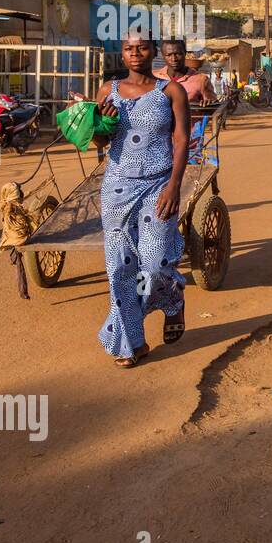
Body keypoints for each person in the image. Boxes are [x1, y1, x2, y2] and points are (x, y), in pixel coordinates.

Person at [91, 35, 190, 368]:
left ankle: (172, 299)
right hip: (117, 187)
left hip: (159, 184)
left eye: (142, 47)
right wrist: (103, 121)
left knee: (154, 263)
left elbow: (181, 139)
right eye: (129, 48)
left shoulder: (171, 92)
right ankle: (130, 343)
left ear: (154, 52)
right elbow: (98, 141)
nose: (135, 53)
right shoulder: (108, 90)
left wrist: (174, 185)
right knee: (120, 268)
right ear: (122, 53)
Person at [159, 39, 216, 105]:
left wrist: (209, 102)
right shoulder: (154, 77)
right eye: (169, 55)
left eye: (178, 54)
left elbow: (213, 104)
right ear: (163, 56)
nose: (174, 59)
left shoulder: (201, 80)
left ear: (185, 53)